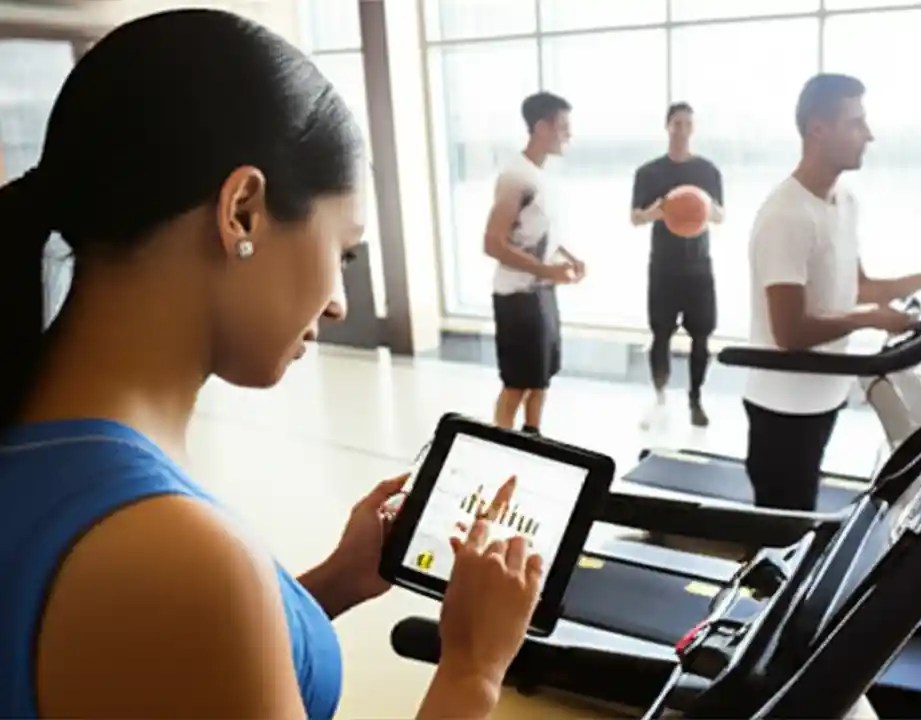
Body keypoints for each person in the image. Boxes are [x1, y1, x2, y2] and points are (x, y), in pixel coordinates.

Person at [0, 10, 541, 719]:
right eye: (343, 253)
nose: (340, 303)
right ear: (243, 211)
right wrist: (472, 669)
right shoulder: (171, 553)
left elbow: (172, 677)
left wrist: (337, 582)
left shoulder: (55, 454)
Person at [743, 73, 921, 512]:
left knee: (803, 510)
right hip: (783, 407)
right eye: (856, 123)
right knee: (782, 526)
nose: (869, 134)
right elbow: (789, 331)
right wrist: (869, 318)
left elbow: (859, 287)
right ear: (818, 130)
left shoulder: (844, 201)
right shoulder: (785, 215)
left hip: (826, 393)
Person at [485, 92, 584, 436]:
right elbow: (493, 242)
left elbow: (539, 232)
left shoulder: (541, 175)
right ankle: (499, 441)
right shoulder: (516, 177)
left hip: (541, 293)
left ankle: (532, 435)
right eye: (564, 127)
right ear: (542, 127)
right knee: (518, 382)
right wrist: (546, 271)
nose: (569, 135)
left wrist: (569, 258)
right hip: (516, 296)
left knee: (542, 376)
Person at [631, 102, 725, 429]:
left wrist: (702, 209)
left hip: (699, 268)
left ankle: (695, 399)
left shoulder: (708, 171)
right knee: (660, 335)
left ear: (693, 128)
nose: (682, 129)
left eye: (687, 123)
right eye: (676, 123)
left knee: (702, 337)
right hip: (663, 268)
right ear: (667, 126)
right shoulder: (649, 172)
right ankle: (659, 397)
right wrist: (658, 211)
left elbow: (721, 215)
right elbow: (634, 217)